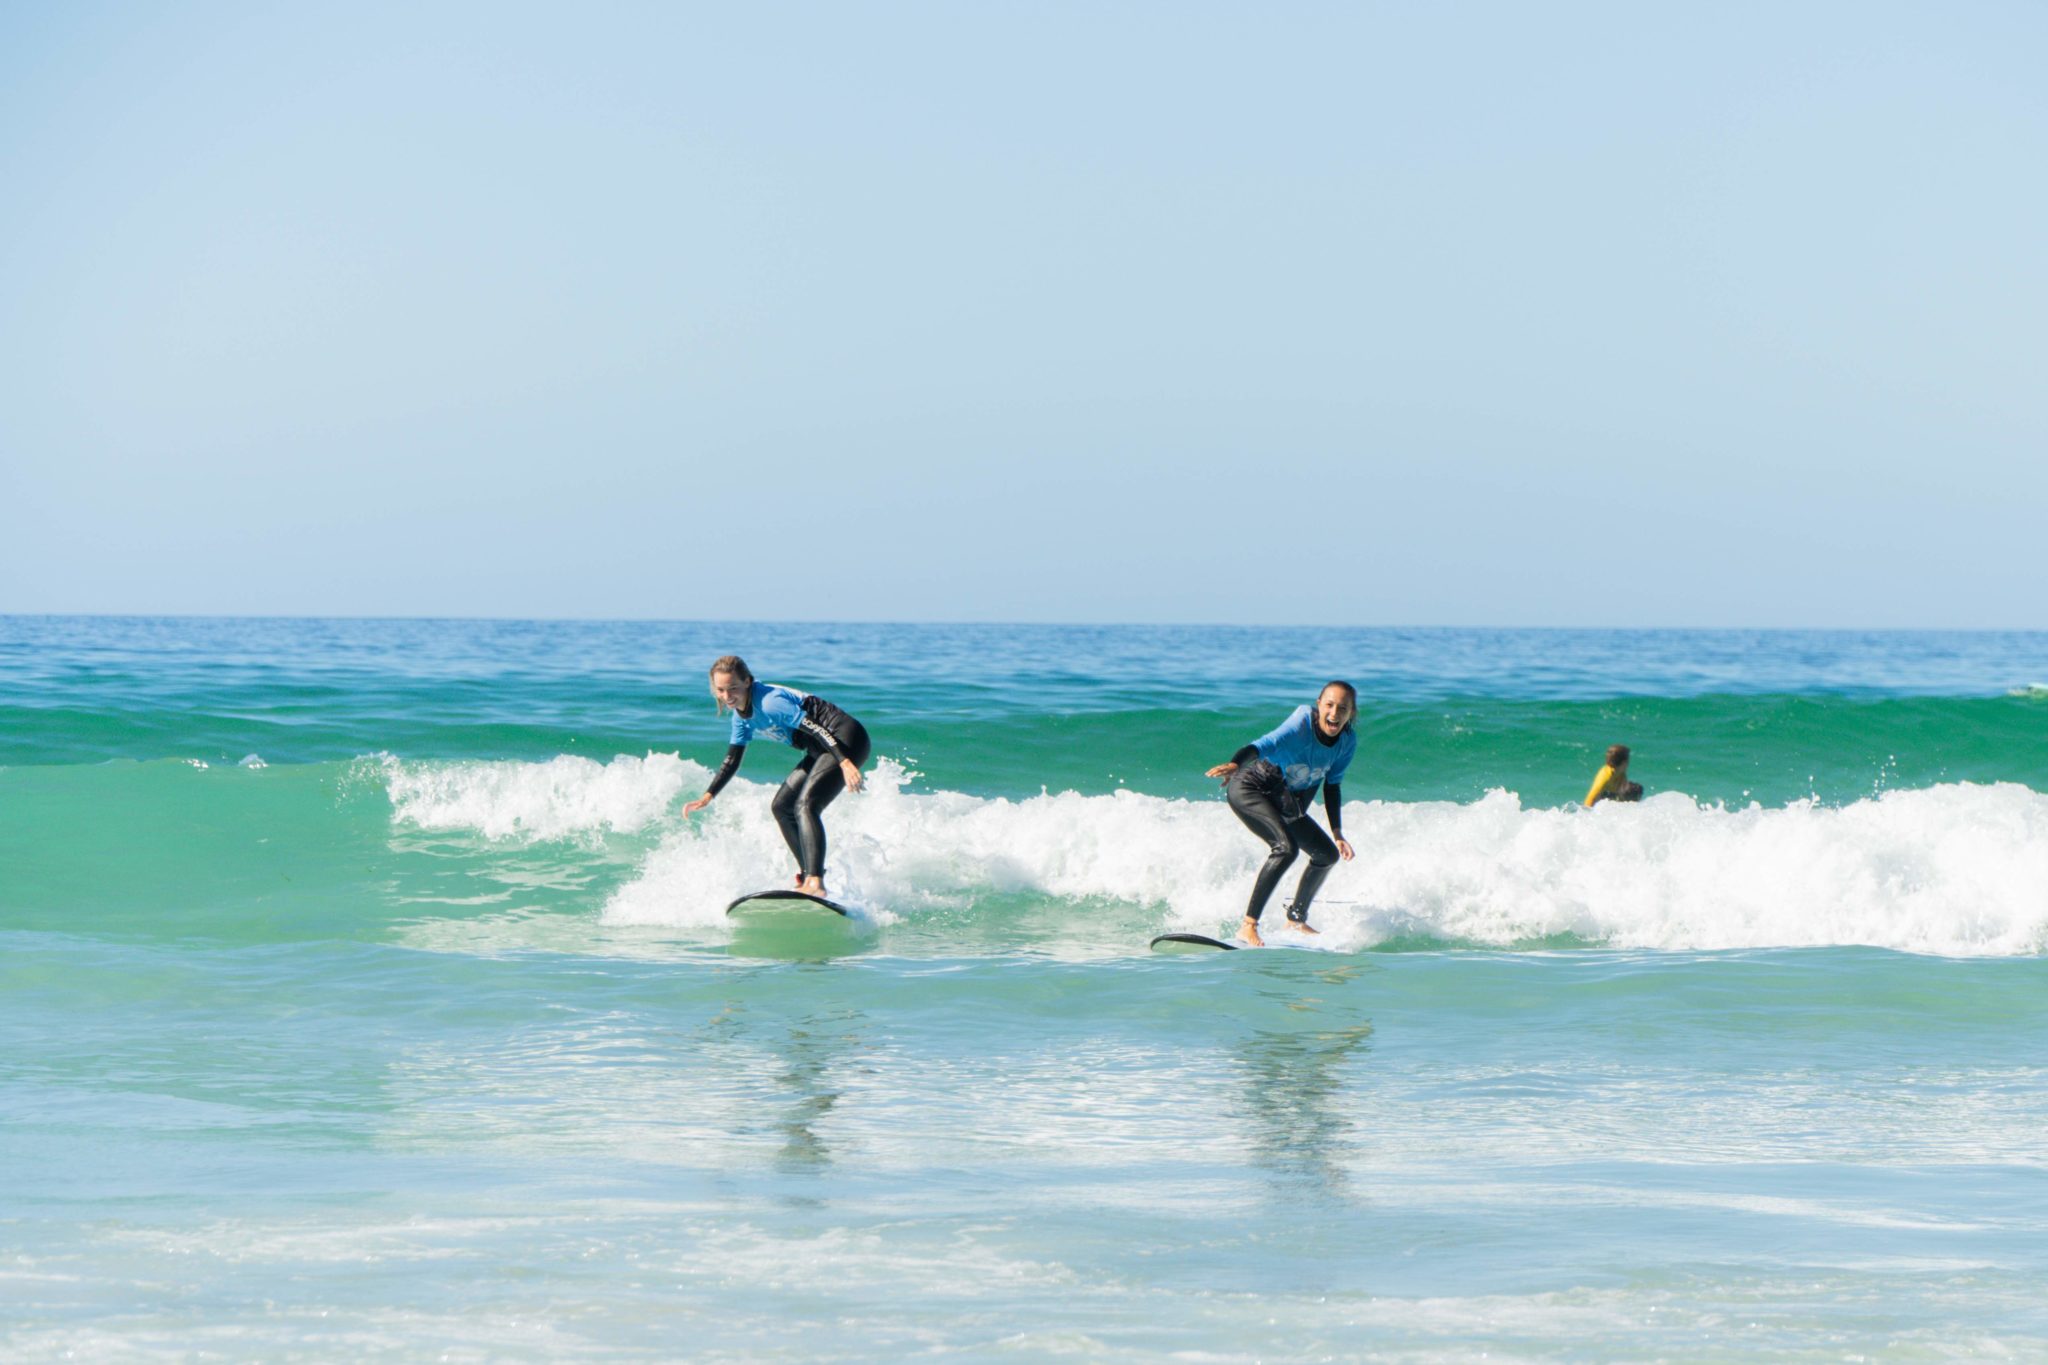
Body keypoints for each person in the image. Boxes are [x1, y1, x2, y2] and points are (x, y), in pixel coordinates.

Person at [682, 655, 872, 897]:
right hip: (820, 748)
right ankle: (807, 875)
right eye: (721, 690)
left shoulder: (770, 702)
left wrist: (844, 762)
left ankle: (816, 882)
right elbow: (733, 758)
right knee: (781, 807)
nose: (727, 696)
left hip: (845, 739)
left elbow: (816, 728)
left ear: (748, 682)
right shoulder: (740, 717)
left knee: (806, 805)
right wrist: (708, 795)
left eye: (733, 688)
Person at [1205, 681, 1359, 947]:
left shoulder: (1346, 742)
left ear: (1351, 713)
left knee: (1326, 855)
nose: (1334, 713)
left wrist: (1337, 833)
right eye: (1329, 705)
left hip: (1286, 802)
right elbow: (1263, 745)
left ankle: (1296, 920)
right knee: (1286, 849)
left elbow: (1332, 786)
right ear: (1319, 705)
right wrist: (1235, 763)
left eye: (1342, 708)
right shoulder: (1301, 723)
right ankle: (1248, 926)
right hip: (1252, 787)